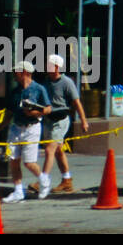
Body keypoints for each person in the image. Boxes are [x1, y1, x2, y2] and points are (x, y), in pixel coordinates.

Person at [41, 53, 88, 194]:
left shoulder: (67, 82)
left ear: (57, 67)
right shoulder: (46, 82)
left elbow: (76, 102)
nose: (46, 66)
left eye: (49, 64)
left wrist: (84, 121)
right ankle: (67, 180)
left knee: (49, 150)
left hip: (60, 121)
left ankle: (43, 181)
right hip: (48, 120)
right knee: (58, 151)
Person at [2, 62, 50, 202]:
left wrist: (35, 112)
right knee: (13, 160)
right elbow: (9, 112)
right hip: (16, 128)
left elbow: (48, 109)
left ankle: (43, 180)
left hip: (32, 127)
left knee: (29, 162)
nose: (14, 74)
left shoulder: (39, 89)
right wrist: (0, 128)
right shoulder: (15, 91)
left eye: (17, 71)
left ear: (25, 72)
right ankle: (18, 191)